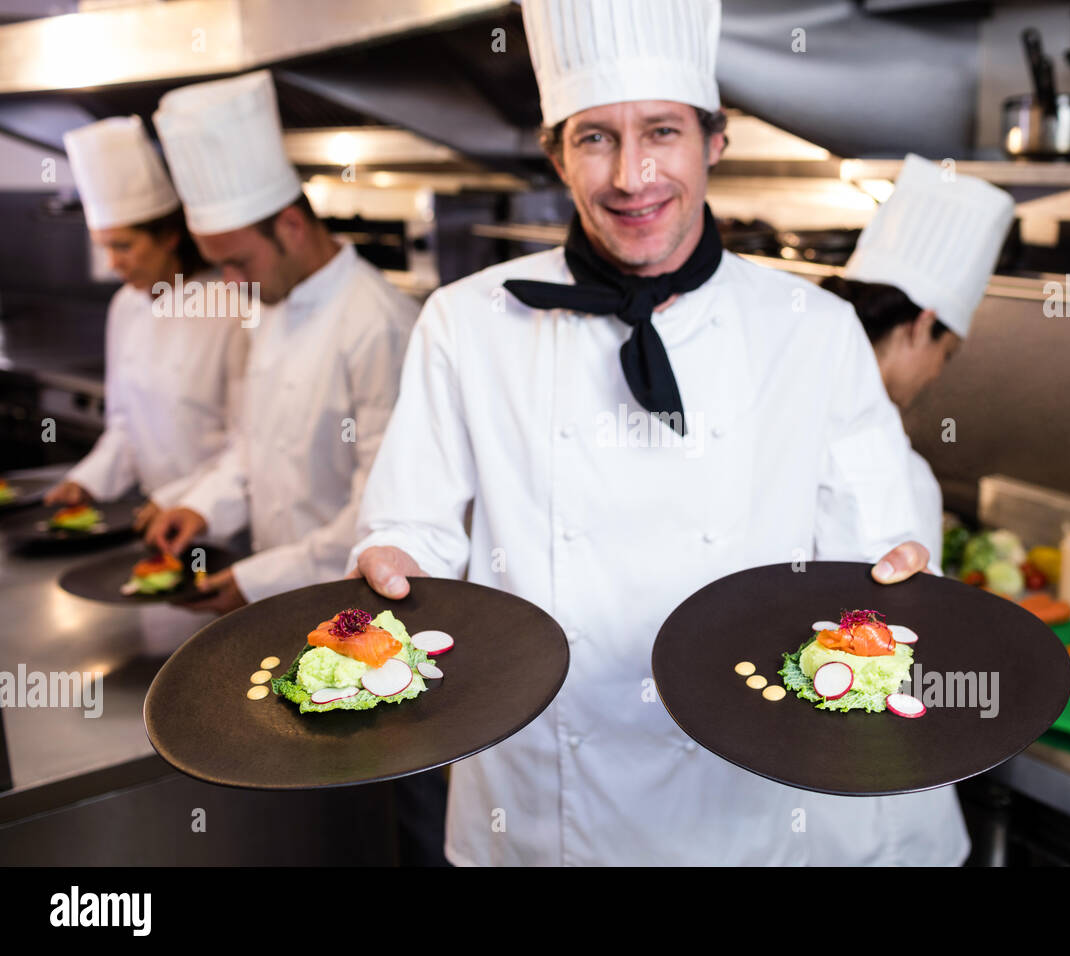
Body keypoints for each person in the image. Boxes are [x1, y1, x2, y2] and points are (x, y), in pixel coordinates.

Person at [350, 0, 966, 866]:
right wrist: (394, 565)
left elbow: (874, 553)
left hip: (742, 800)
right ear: (557, 154)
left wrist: (898, 579)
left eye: (663, 132)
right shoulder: (465, 322)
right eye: (595, 137)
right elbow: (412, 527)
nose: (633, 176)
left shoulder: (813, 329)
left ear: (716, 142)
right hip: (539, 806)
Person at [143, 70, 418, 614]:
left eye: (237, 261)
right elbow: (254, 446)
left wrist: (261, 579)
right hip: (277, 594)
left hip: (349, 599)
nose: (229, 282)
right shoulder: (273, 302)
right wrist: (201, 507)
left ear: (291, 225)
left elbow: (381, 507)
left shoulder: (379, 325)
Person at [44, 115, 248, 533]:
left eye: (124, 246)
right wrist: (86, 480)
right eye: (104, 247)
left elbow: (250, 443)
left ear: (169, 236)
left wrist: (185, 502)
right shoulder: (126, 306)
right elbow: (125, 425)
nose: (113, 264)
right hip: (158, 524)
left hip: (224, 521)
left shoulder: (233, 307)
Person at [822, 154, 1015, 561]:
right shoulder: (893, 468)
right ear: (923, 324)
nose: (936, 374)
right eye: (945, 354)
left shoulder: (783, 385)